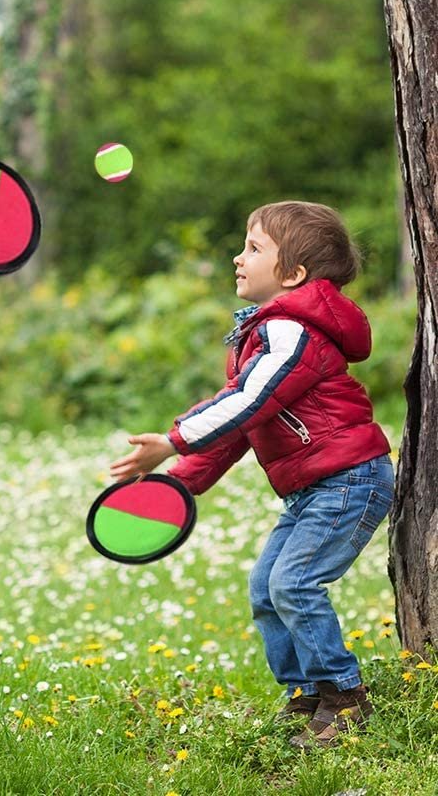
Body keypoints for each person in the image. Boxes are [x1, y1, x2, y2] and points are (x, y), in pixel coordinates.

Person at [110, 201, 392, 749]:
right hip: (317, 487)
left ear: (293, 275)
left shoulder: (293, 333)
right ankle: (307, 695)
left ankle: (345, 698)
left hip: (349, 480)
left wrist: (172, 440)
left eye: (254, 248)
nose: (238, 258)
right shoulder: (267, 333)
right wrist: (178, 482)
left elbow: (247, 401)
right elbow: (241, 426)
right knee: (266, 586)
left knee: (293, 583)